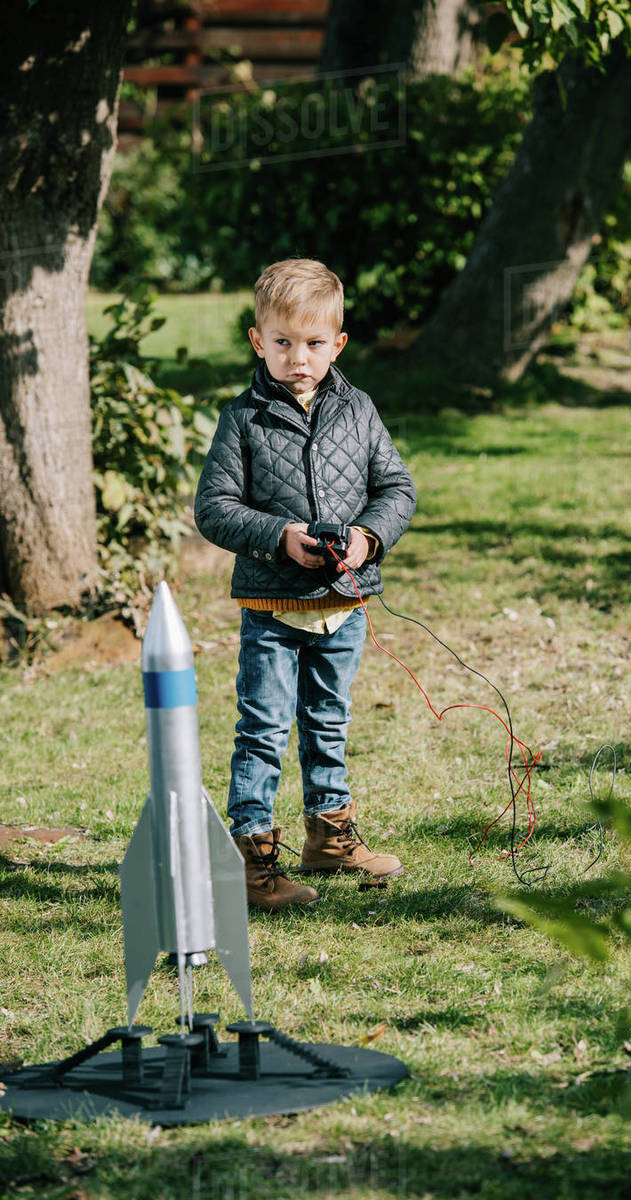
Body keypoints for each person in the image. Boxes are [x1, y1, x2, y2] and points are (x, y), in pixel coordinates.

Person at [194, 258, 416, 911]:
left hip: (341, 605)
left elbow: (396, 489)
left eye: (315, 344)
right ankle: (252, 859)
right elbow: (213, 508)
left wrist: (366, 537)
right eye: (283, 342)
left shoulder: (359, 410)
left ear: (337, 344)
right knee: (262, 728)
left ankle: (329, 834)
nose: (299, 358)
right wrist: (279, 535)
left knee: (328, 717)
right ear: (258, 340)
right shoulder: (243, 419)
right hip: (272, 604)